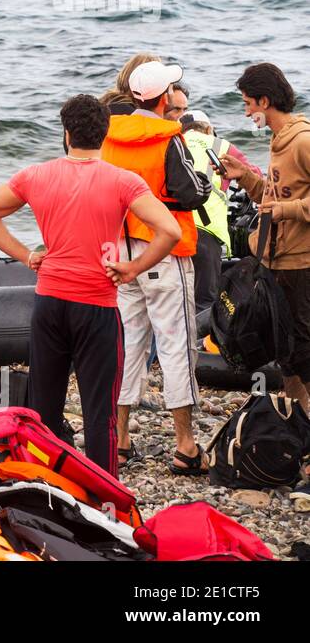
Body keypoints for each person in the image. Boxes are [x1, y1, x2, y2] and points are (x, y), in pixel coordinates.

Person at [0, 94, 181, 476]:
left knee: (44, 410)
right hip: (96, 307)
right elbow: (169, 230)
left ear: (66, 134)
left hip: (49, 304)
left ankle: (45, 489)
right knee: (100, 415)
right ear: (105, 134)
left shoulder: (36, 175)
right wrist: (133, 268)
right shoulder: (122, 180)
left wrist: (25, 255)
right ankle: (105, 500)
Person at [101, 61, 212, 475]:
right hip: (164, 252)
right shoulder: (170, 140)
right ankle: (185, 445)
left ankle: (121, 439)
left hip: (122, 254)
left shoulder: (109, 136)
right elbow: (188, 194)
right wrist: (205, 180)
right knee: (176, 344)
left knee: (127, 345)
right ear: (164, 99)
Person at [220, 64, 310, 504]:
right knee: (287, 357)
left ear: (265, 101)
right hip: (276, 261)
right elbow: (274, 198)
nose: (245, 110)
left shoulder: (303, 141)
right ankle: (303, 434)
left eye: (247, 102)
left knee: (304, 355)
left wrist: (286, 211)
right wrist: (246, 177)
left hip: (301, 266)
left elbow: (289, 206)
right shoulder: (278, 142)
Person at [178, 109, 259, 315]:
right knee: (204, 300)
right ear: (208, 129)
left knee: (173, 300)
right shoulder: (220, 146)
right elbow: (253, 175)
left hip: (172, 229)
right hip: (205, 232)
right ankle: (202, 346)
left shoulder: (173, 144)